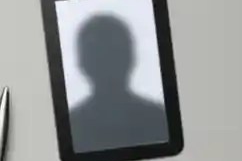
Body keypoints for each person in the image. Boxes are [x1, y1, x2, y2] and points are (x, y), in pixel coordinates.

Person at [68, 14, 168, 153]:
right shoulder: (159, 119)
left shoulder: (71, 127)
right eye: (101, 56)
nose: (107, 64)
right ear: (131, 58)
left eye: (112, 53)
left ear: (83, 64)